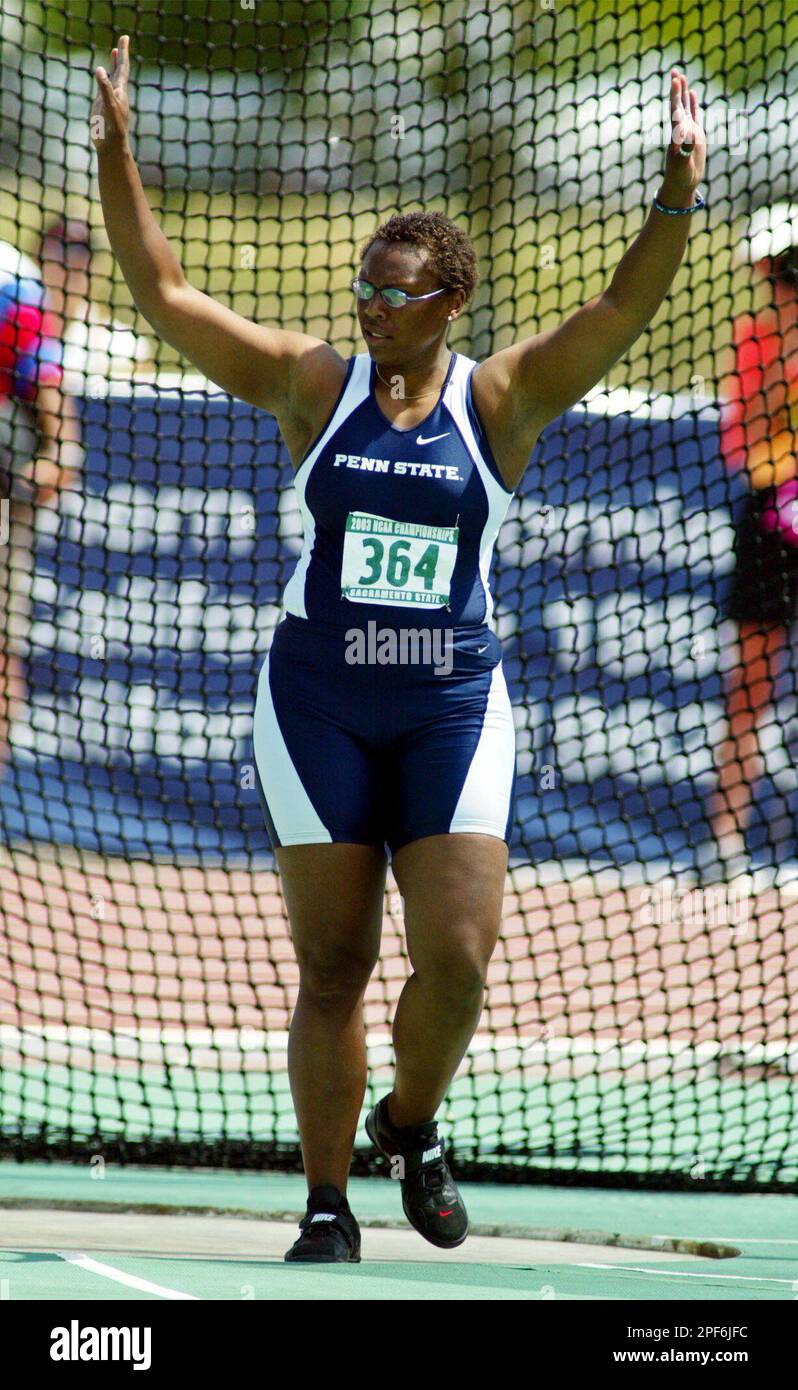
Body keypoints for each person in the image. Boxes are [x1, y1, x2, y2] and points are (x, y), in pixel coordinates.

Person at [92, 35, 706, 1262]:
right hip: (317, 703)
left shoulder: (501, 402)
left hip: (449, 709)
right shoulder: (315, 388)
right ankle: (327, 1206)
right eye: (364, 289)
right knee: (334, 963)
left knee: (461, 958)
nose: (370, 308)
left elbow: (624, 306)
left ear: (451, 304)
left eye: (395, 294)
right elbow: (164, 290)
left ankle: (412, 1123)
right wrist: (118, 150)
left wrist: (679, 185)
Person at [702, 204, 798, 886]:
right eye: (778, 274)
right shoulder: (757, 341)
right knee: (751, 688)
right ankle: (725, 843)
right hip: (773, 520)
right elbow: (746, 441)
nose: (782, 284)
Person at [0, 239, 83, 763]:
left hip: (6, 487)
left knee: (3, 641)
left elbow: (44, 377)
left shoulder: (10, 277)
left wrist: (59, 449)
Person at [38, 217, 157, 394]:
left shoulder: (124, 346)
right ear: (38, 256)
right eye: (60, 247)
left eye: (82, 249)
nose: (70, 259)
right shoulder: (13, 326)